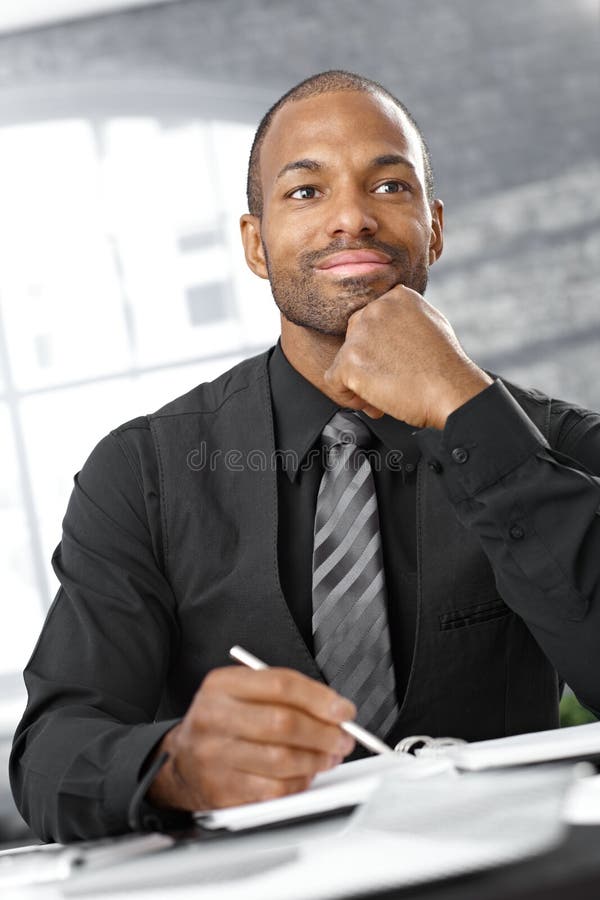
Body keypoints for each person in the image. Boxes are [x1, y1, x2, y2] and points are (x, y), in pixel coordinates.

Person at [10, 70, 600, 843]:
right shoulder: (141, 475)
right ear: (256, 245)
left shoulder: (561, 444)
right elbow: (50, 757)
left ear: (435, 227)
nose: (351, 219)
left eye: (389, 186)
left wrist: (469, 412)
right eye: (305, 193)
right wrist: (172, 764)